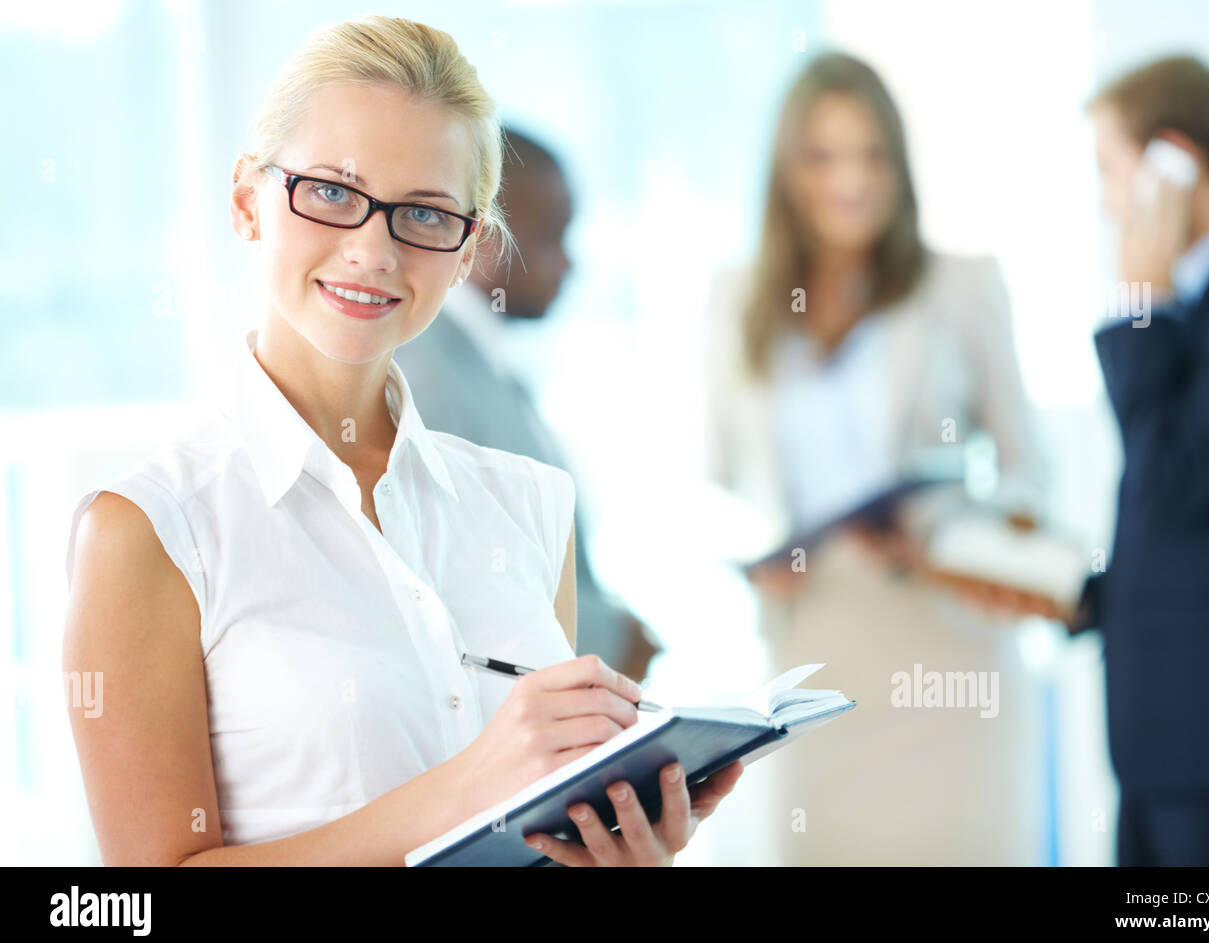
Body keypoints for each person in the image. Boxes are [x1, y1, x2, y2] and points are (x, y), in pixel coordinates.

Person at [61, 14, 740, 867]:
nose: (372, 252)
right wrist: (465, 789)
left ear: (465, 254)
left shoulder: (528, 506)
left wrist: (617, 849)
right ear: (247, 203)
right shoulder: (149, 531)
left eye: (423, 213)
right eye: (334, 193)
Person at [703, 51, 1045, 865]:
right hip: (813, 638)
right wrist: (754, 556)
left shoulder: (960, 285)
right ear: (789, 170)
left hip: (944, 634)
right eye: (824, 156)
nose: (850, 179)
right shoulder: (736, 296)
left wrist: (951, 536)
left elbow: (1030, 470)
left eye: (871, 154)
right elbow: (716, 479)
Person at [1071, 55, 1209, 864]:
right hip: (1163, 752)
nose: (1104, 204)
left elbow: (1174, 476)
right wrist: (1081, 595)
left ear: (1173, 161)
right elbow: (1205, 528)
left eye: (1110, 170)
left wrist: (1139, 304)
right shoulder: (1203, 302)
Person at [396, 128, 660, 682]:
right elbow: (461, 582)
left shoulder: (479, 359)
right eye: (551, 239)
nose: (569, 265)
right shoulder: (426, 373)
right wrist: (610, 635)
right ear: (484, 236)